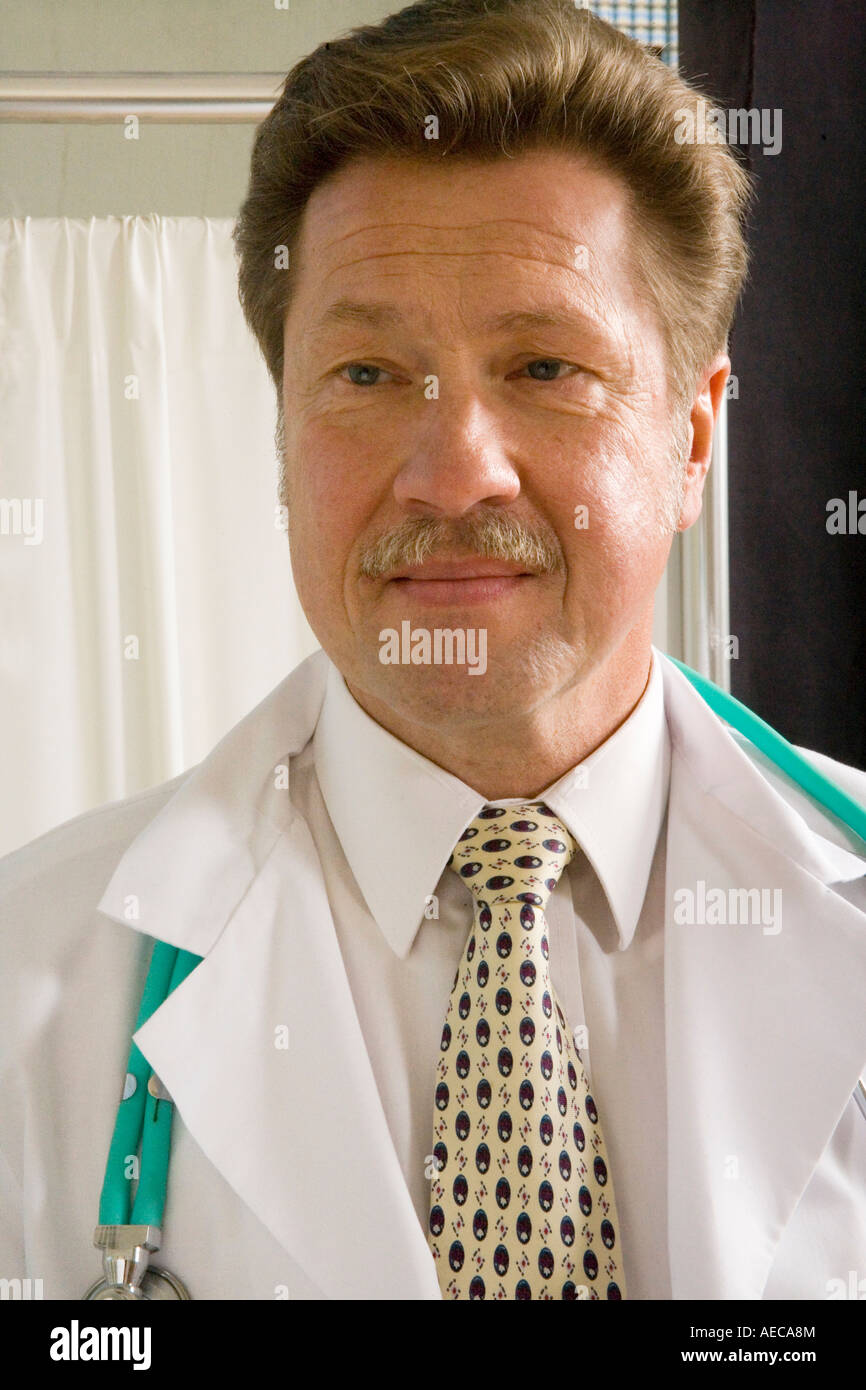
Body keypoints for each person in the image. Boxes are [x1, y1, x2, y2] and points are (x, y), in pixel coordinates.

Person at [2, 0, 865, 1302]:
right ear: (283, 431)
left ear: (691, 438)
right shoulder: (30, 975)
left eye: (542, 365)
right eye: (362, 373)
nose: (452, 469)